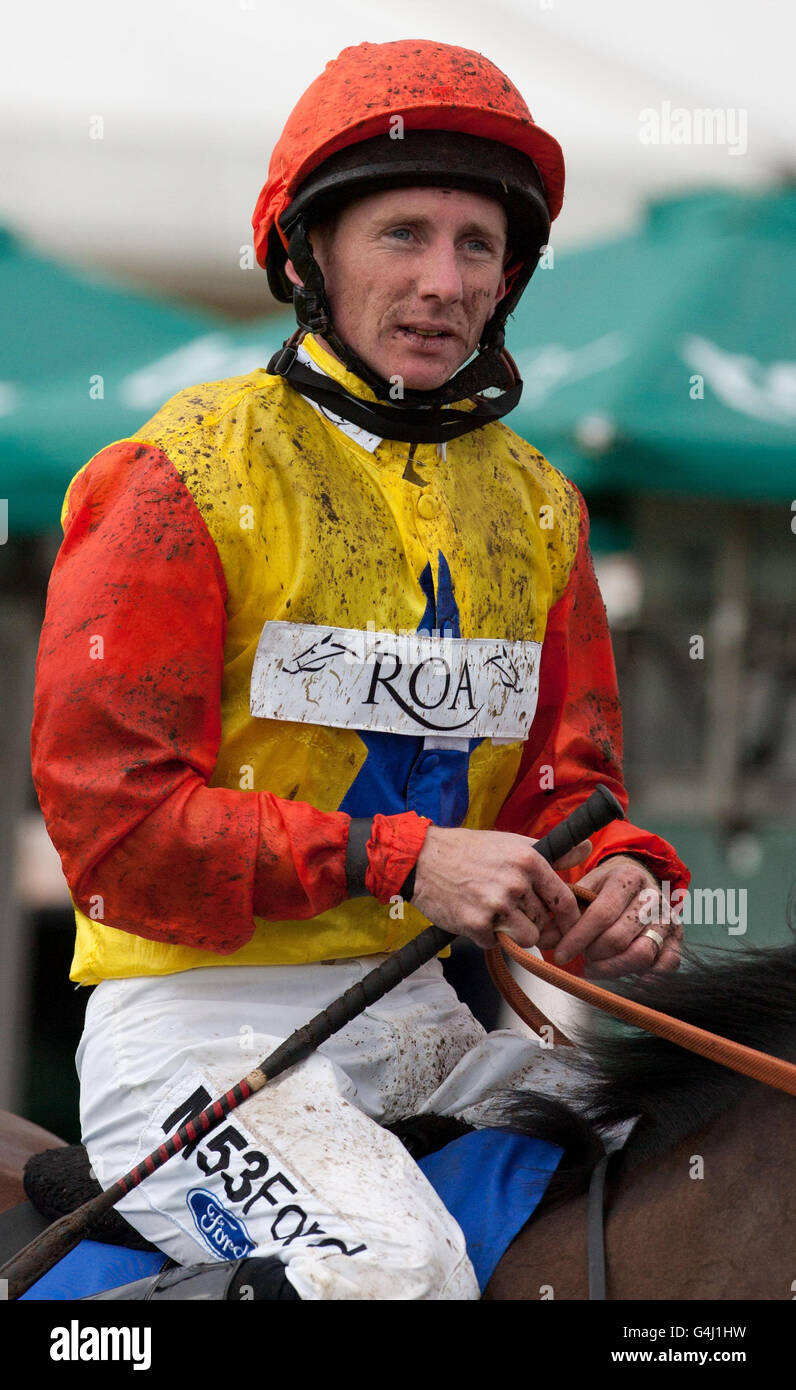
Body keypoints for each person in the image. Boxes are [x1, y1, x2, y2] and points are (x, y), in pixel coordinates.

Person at [31, 39, 689, 1301]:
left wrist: (618, 881)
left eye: (477, 246)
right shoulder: (180, 476)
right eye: (402, 235)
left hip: (425, 1023)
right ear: (306, 255)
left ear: (510, 278)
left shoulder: (544, 511)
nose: (442, 283)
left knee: (691, 1180)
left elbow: (566, 793)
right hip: (194, 1024)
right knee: (386, 1272)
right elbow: (113, 830)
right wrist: (404, 859)